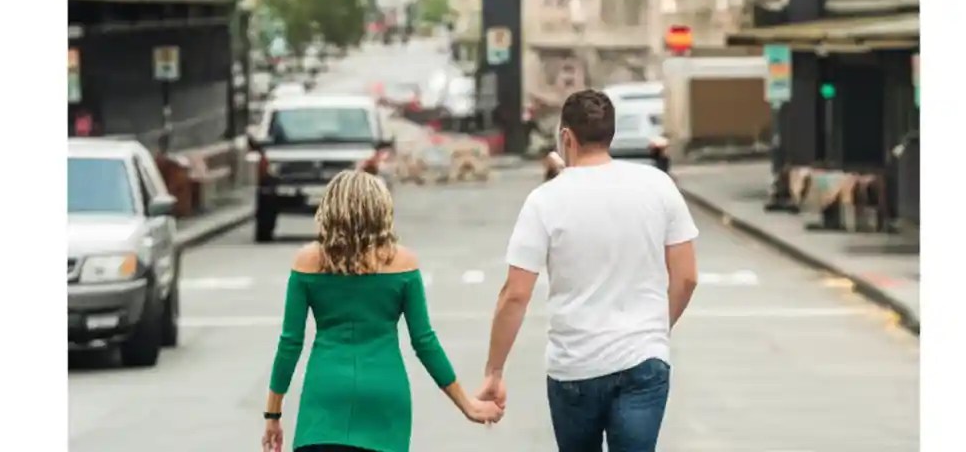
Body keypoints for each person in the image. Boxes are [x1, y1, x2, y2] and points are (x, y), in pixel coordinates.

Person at [478, 89, 701, 452]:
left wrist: (495, 371)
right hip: (643, 361)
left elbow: (515, 294)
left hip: (574, 368)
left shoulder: (545, 201)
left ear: (567, 138)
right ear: (609, 134)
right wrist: (657, 329)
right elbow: (687, 276)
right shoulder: (658, 186)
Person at [261, 170, 503, 452]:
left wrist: (273, 415)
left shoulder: (308, 261)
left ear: (329, 209)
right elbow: (425, 342)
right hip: (386, 397)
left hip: (325, 397)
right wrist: (467, 405)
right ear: (381, 210)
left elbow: (290, 343)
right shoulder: (403, 262)